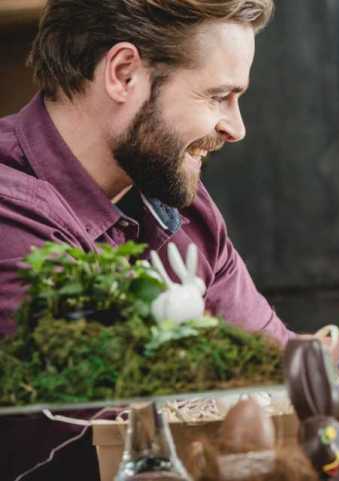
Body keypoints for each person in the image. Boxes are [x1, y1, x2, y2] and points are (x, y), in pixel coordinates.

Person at [0, 1, 293, 479]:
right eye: (219, 96)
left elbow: (282, 381)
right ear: (122, 74)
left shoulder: (187, 210)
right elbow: (132, 425)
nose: (236, 128)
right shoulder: (8, 212)